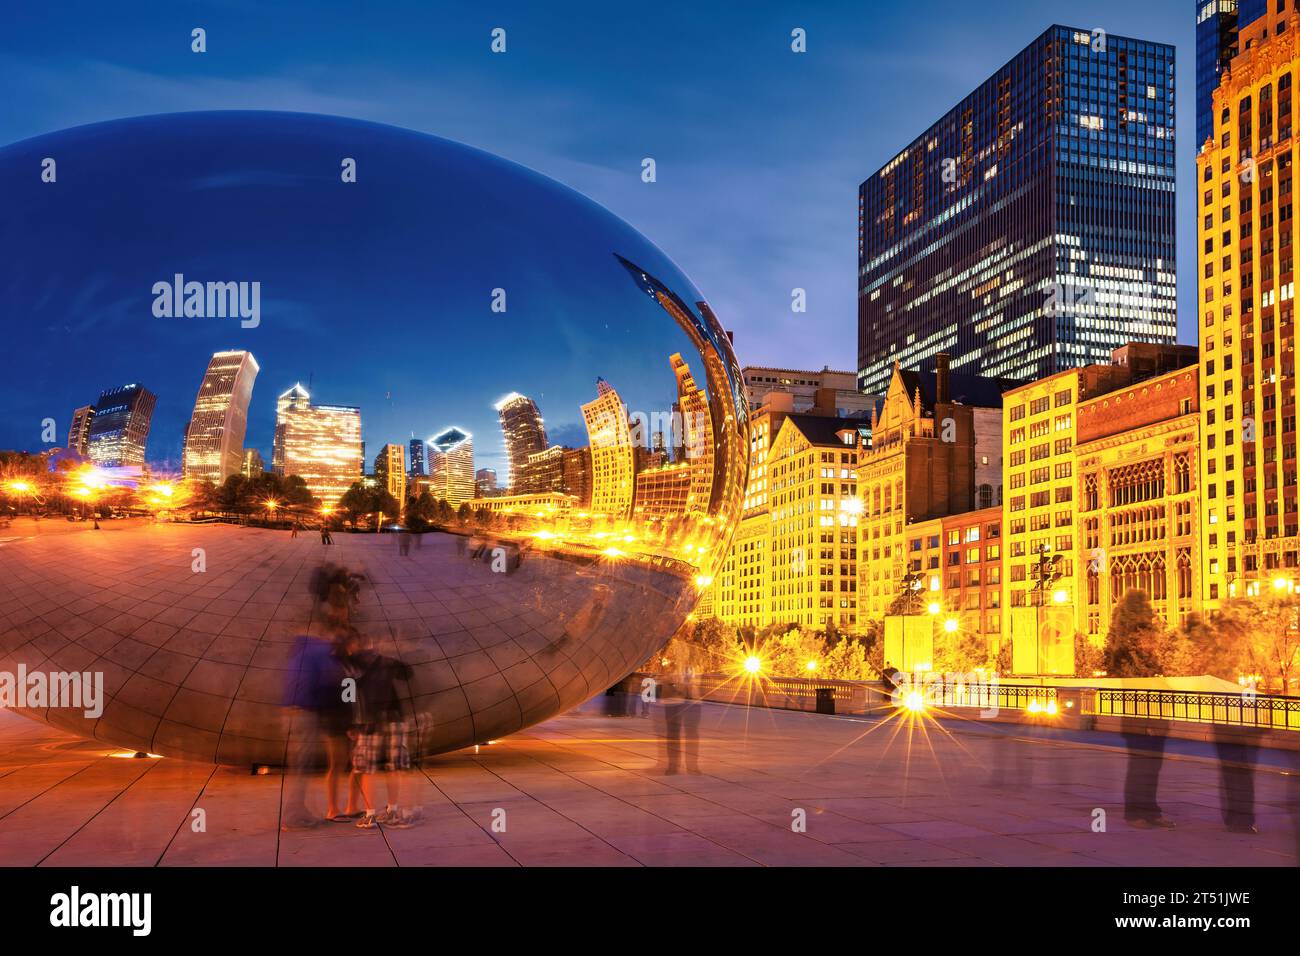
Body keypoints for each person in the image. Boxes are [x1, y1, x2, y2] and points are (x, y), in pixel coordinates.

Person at [281, 628, 355, 828]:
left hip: (292, 713)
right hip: (306, 713)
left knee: (300, 766)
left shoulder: (300, 652)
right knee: (302, 767)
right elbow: (332, 684)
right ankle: (293, 816)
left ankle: (299, 811)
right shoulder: (322, 652)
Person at [348, 634, 419, 829]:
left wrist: (352, 725)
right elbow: (407, 673)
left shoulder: (351, 666)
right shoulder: (386, 661)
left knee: (367, 768)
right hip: (394, 719)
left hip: (370, 722)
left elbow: (348, 698)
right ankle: (393, 810)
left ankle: (370, 814)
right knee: (394, 766)